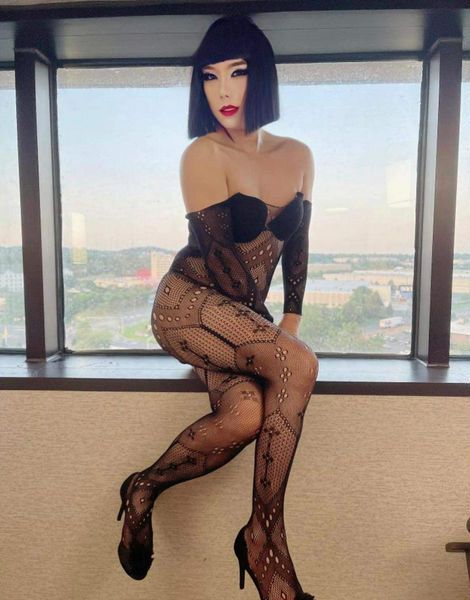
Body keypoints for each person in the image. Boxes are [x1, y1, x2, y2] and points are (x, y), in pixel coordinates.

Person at [117, 14, 319, 600]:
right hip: (189, 306)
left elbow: (298, 245)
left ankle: (143, 488)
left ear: (263, 77)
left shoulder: (298, 154)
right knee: (299, 364)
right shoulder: (202, 154)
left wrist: (289, 324)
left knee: (246, 416)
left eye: (237, 72)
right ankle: (264, 539)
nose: (223, 90)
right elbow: (226, 270)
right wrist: (277, 346)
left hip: (239, 320)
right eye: (209, 77)